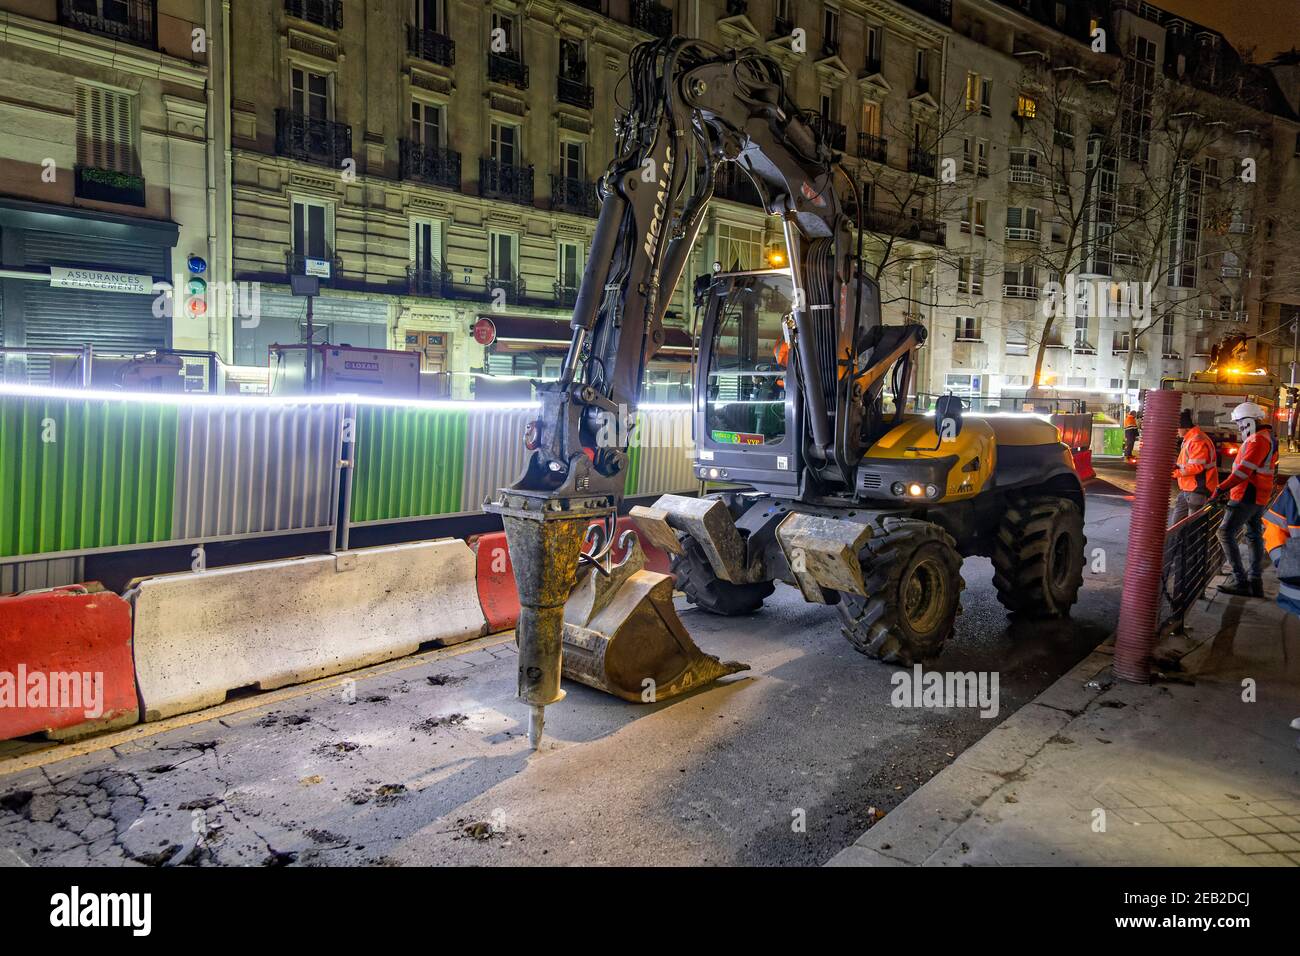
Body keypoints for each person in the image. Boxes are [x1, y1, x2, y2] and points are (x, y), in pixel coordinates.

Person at [1212, 401, 1277, 598]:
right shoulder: (1267, 438)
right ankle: (1254, 582)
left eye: (1240, 422)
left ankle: (1241, 581)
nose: (1239, 427)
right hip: (1258, 496)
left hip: (1246, 495)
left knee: (1225, 533)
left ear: (1249, 421)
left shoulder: (1257, 441)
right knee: (1253, 535)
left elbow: (1243, 472)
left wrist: (1220, 488)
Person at [1170, 408, 1218, 523]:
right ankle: (1178, 541)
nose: (1176, 431)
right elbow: (1187, 463)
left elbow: (1197, 467)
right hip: (1189, 488)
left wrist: (1174, 473)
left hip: (1198, 489)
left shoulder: (1197, 440)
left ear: (1186, 427)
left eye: (1178, 428)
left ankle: (1185, 541)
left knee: (1193, 526)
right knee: (1177, 526)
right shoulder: (1190, 439)